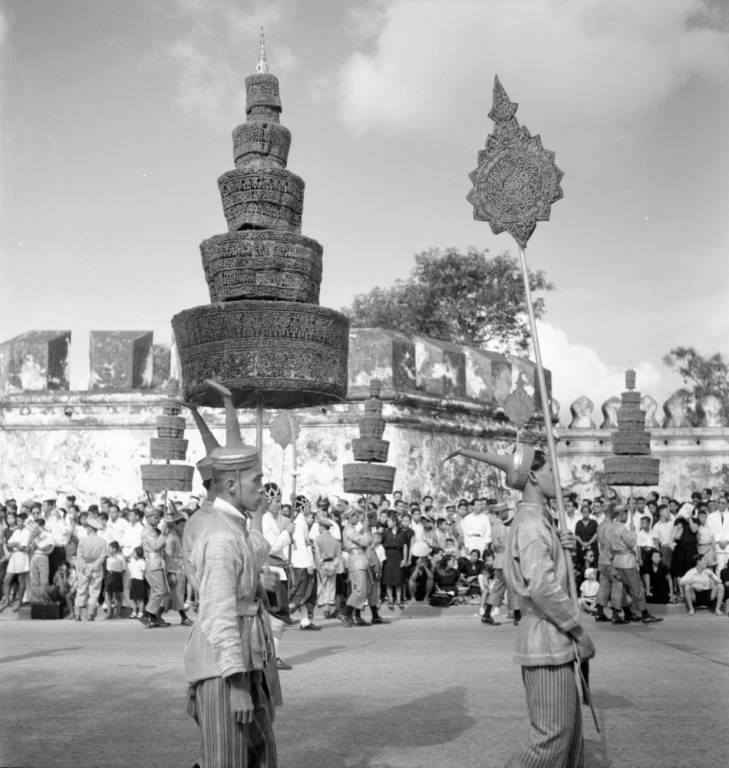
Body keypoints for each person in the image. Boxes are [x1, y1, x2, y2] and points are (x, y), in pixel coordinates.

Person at [447, 443, 594, 768]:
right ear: (532, 477)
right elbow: (541, 587)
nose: (558, 477)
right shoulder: (530, 525)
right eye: (550, 471)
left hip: (551, 639)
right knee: (551, 738)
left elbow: (543, 568)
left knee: (568, 737)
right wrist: (577, 627)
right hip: (548, 637)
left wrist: (561, 546)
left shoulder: (541, 522)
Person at [182, 379, 280, 768]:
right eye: (256, 481)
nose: (262, 487)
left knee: (259, 754)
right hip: (226, 669)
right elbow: (219, 614)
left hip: (246, 659)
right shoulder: (219, 535)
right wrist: (237, 686)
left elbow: (253, 552)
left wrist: (255, 579)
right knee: (225, 761)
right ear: (226, 484)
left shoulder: (232, 527)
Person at [608, 504, 663, 624]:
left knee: (619, 589)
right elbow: (631, 542)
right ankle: (644, 614)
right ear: (621, 514)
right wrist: (633, 532)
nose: (627, 516)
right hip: (626, 561)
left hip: (616, 560)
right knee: (637, 587)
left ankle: (622, 614)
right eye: (625, 514)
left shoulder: (610, 528)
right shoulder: (622, 528)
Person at [141, 507, 170, 628]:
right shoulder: (147, 531)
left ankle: (153, 617)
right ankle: (146, 614)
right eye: (156, 518)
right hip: (153, 563)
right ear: (148, 518)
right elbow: (155, 546)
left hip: (158, 563)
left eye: (159, 518)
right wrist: (163, 535)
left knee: (159, 591)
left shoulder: (153, 530)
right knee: (160, 591)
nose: (158, 521)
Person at [74, 514, 107, 621]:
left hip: (84, 567)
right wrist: (93, 567)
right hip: (96, 568)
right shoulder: (102, 541)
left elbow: (79, 556)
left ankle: (77, 614)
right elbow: (102, 557)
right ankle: (90, 614)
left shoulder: (82, 540)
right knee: (94, 590)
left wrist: (85, 568)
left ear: (89, 528)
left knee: (81, 589)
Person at [381, 513, 409, 609]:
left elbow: (405, 546)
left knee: (398, 579)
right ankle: (390, 600)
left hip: (398, 556)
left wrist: (404, 559)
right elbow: (380, 545)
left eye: (389, 521)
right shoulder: (385, 532)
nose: (387, 523)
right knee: (388, 579)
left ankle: (398, 600)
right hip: (388, 556)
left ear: (394, 522)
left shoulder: (403, 532)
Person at [104, 541, 126, 619]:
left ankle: (117, 613)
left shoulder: (120, 557)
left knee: (118, 595)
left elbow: (123, 569)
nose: (108, 549)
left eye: (109, 548)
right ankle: (109, 613)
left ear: (114, 549)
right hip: (110, 575)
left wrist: (117, 574)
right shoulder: (108, 558)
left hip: (117, 575)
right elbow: (107, 568)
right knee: (108, 594)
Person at [128, 546, 147, 618]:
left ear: (138, 553)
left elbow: (144, 572)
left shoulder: (142, 562)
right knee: (133, 598)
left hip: (140, 581)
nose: (133, 554)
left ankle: (141, 612)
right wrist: (130, 581)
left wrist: (144, 579)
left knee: (140, 598)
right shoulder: (132, 561)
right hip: (133, 580)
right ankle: (134, 611)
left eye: (134, 553)